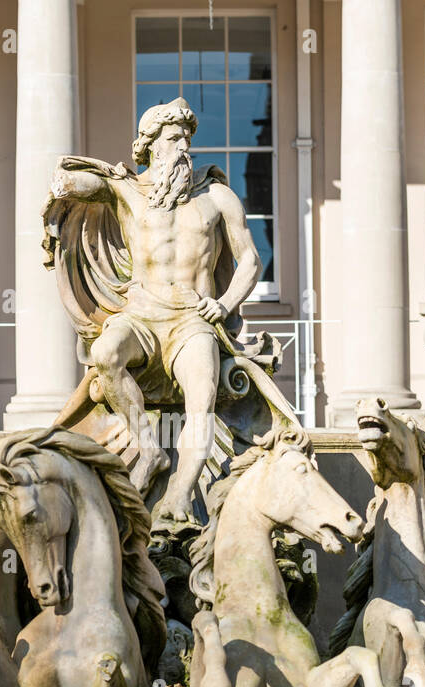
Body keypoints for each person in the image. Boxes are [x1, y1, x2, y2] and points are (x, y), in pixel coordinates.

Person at [44, 98, 262, 524]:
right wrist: (82, 178)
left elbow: (250, 260)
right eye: (173, 137)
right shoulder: (127, 192)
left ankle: (181, 491)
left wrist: (223, 303)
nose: (184, 145)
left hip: (191, 319)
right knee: (106, 355)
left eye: (187, 137)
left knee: (202, 398)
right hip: (141, 314)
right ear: (150, 145)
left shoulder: (216, 195)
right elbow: (68, 182)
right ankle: (150, 449)